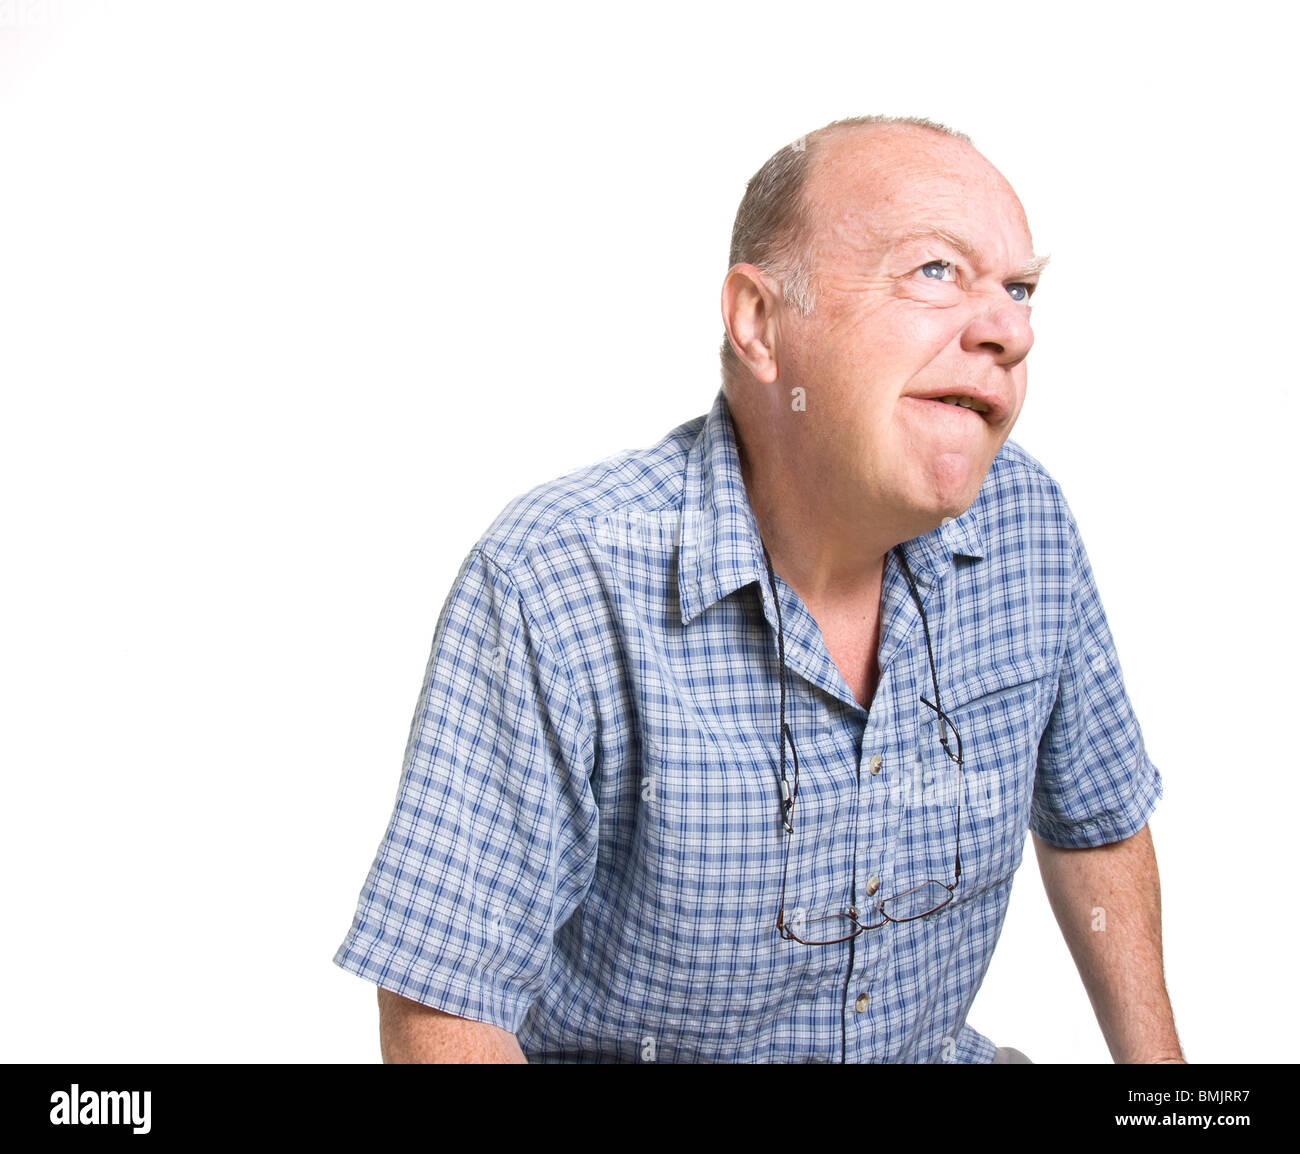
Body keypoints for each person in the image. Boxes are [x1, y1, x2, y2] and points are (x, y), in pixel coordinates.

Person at [333, 115, 1184, 1064]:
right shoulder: (557, 582)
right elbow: (447, 1007)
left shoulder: (1025, 522)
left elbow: (1097, 826)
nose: (1011, 331)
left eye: (1020, 289)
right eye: (936, 271)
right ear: (759, 321)